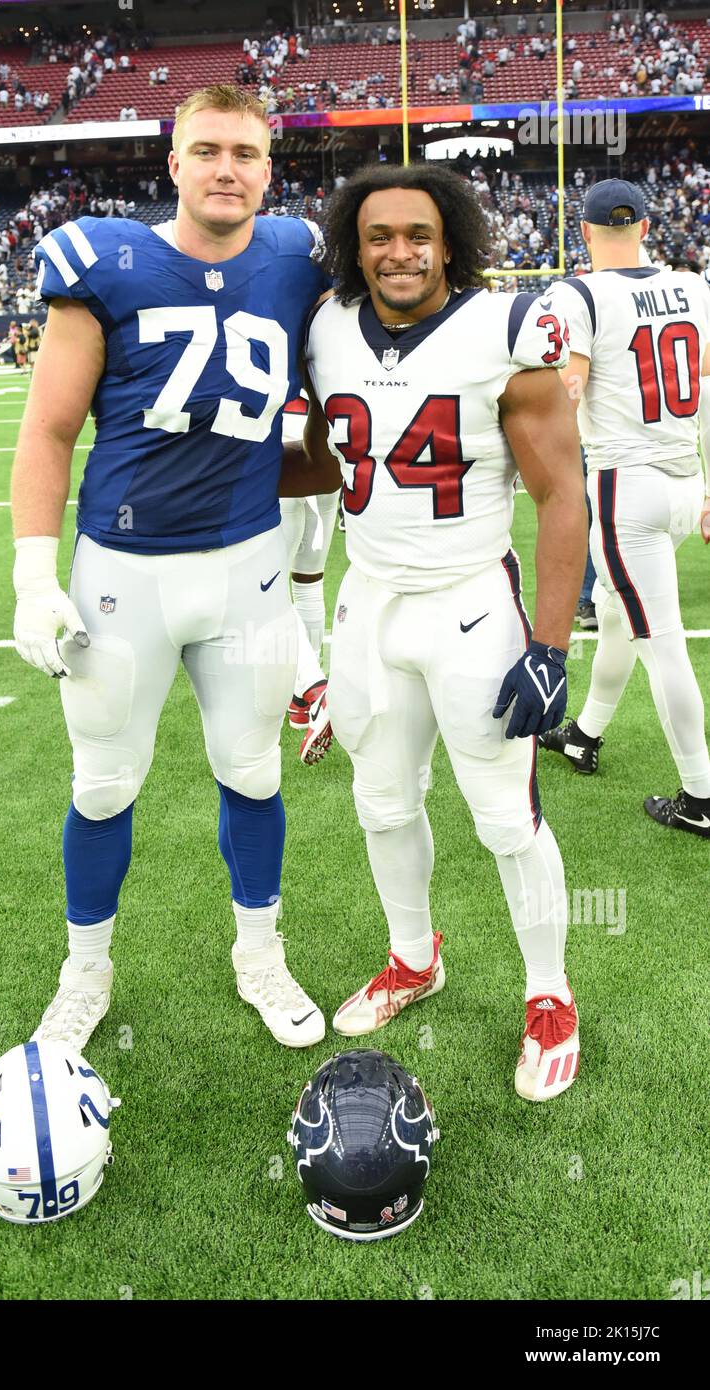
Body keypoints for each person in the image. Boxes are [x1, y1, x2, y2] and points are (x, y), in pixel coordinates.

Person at [11, 85, 330, 1052]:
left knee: (253, 772)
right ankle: (86, 972)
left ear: (269, 170)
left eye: (246, 152)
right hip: (125, 574)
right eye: (207, 151)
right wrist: (33, 569)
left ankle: (261, 954)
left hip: (250, 566)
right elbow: (51, 426)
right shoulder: (104, 259)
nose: (226, 169)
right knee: (104, 784)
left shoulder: (295, 257)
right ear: (175, 164)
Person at [281, 164, 586, 1101]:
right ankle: (415, 957)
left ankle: (550, 993)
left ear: (450, 240)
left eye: (418, 234)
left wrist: (548, 644)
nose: (399, 252)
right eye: (379, 237)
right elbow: (339, 464)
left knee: (504, 817)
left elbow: (560, 494)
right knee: (382, 804)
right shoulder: (326, 327)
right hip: (367, 604)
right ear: (354, 244)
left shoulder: (504, 330)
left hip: (469, 603)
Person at [542, 180, 710, 837]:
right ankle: (585, 733)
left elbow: (571, 382)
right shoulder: (694, 286)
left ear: (584, 231)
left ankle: (700, 796)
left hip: (625, 486)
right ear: (645, 225)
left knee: (660, 643)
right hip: (681, 482)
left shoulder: (579, 292)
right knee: (614, 611)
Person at [279, 393, 340, 763]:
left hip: (280, 441)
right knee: (309, 581)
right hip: (327, 442)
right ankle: (301, 700)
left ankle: (314, 689)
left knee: (268, 592)